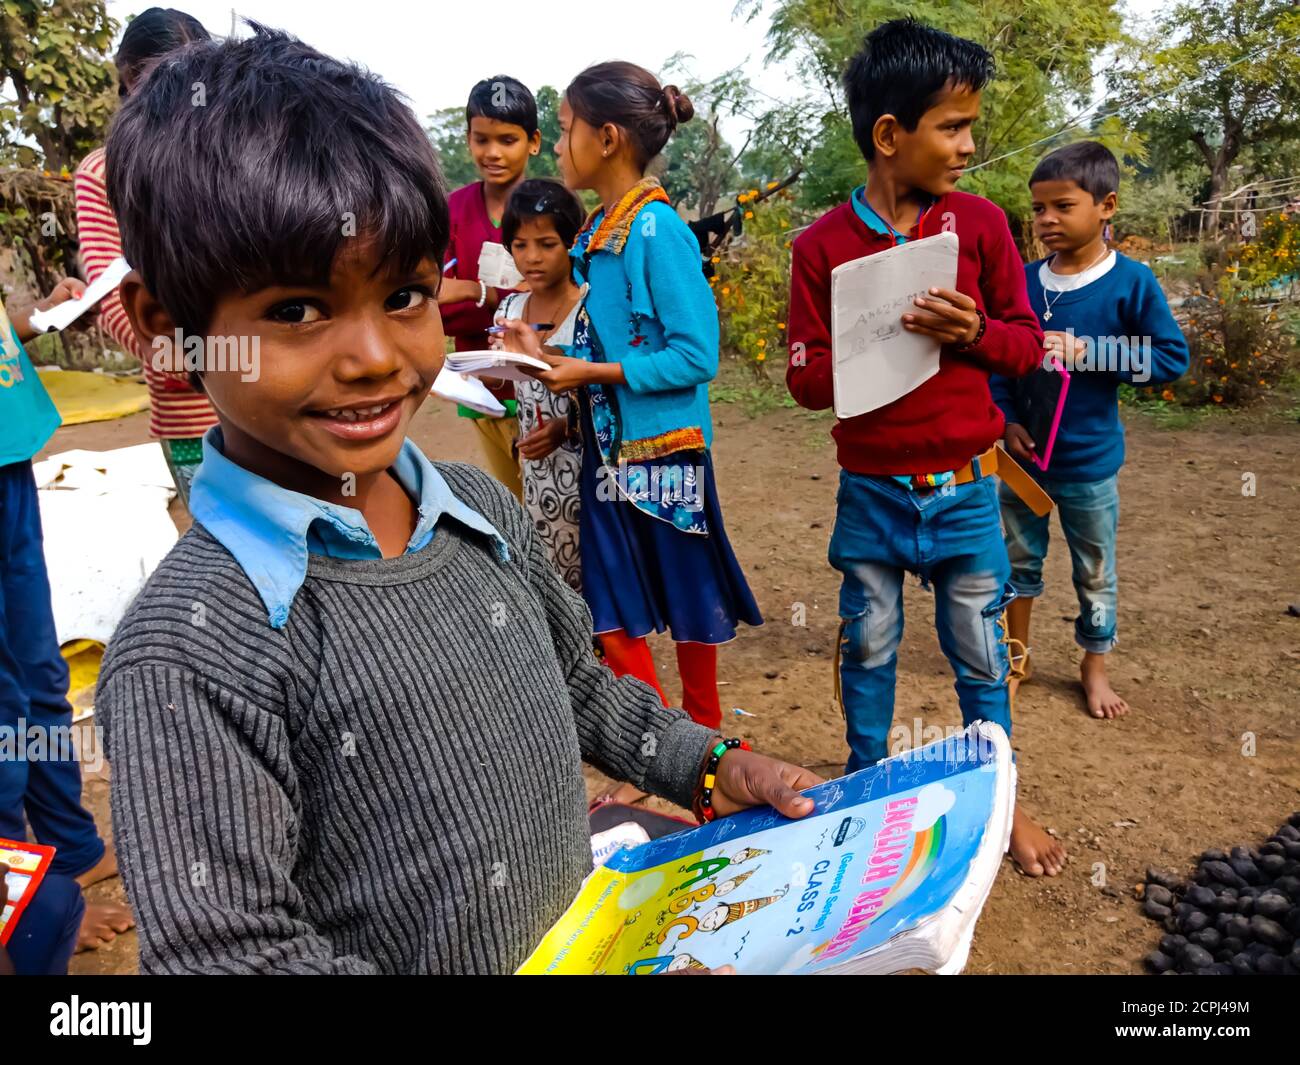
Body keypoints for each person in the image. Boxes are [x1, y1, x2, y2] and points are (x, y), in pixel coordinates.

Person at [99, 26, 818, 974]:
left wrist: (715, 765)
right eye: (296, 311)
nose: (374, 357)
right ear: (166, 325)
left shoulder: (480, 509)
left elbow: (583, 684)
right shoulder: (190, 648)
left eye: (403, 295)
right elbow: (232, 954)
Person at [784, 18, 1065, 877]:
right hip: (871, 488)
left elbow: (1025, 344)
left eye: (970, 125)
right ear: (888, 134)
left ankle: (1000, 802)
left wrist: (975, 329)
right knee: (866, 646)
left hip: (968, 491)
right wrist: (870, 345)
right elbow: (803, 377)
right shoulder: (820, 246)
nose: (968, 145)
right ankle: (867, 790)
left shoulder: (979, 227)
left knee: (981, 655)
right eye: (952, 126)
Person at [501, 61, 762, 753]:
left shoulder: (656, 232)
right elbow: (608, 350)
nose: (556, 148)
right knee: (613, 614)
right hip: (603, 452)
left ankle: (704, 742)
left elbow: (695, 356)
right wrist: (562, 397)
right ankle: (660, 747)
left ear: (607, 137)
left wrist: (592, 369)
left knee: (689, 606)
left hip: (665, 453)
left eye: (564, 132)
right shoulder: (600, 238)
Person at [990, 141, 1189, 719]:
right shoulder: (1023, 283)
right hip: (1022, 462)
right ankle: (1016, 659)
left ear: (1106, 206)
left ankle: (1093, 666)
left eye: (1062, 206)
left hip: (1089, 464)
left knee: (1094, 570)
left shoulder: (1132, 282)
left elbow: (1170, 358)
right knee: (1016, 565)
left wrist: (1091, 352)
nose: (1047, 220)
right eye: (1038, 209)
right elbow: (999, 360)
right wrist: (1006, 420)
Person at [1, 280, 135, 951]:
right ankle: (23, 903)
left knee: (37, 670)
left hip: (7, 454)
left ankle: (68, 844)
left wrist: (26, 323)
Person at [74, 6, 216, 505]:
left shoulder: (239, 155)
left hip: (284, 389)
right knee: (225, 557)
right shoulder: (103, 173)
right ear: (130, 83)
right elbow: (111, 289)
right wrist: (203, 365)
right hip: (192, 410)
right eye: (157, 81)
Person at [438, 75, 543, 501]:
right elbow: (437, 305)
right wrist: (501, 296)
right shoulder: (454, 208)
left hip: (543, 385)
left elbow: (559, 303)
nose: (493, 152)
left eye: (507, 139)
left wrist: (474, 292)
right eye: (482, 139)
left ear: (533, 142)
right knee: (512, 497)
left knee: (551, 497)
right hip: (481, 386)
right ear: (468, 140)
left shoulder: (548, 206)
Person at [493, 179, 587, 592]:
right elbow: (504, 379)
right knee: (547, 567)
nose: (532, 258)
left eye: (547, 244)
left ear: (573, 241)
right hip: (537, 473)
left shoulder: (591, 306)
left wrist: (566, 429)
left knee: (594, 569)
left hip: (589, 469)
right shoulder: (510, 309)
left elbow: (610, 391)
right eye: (519, 245)